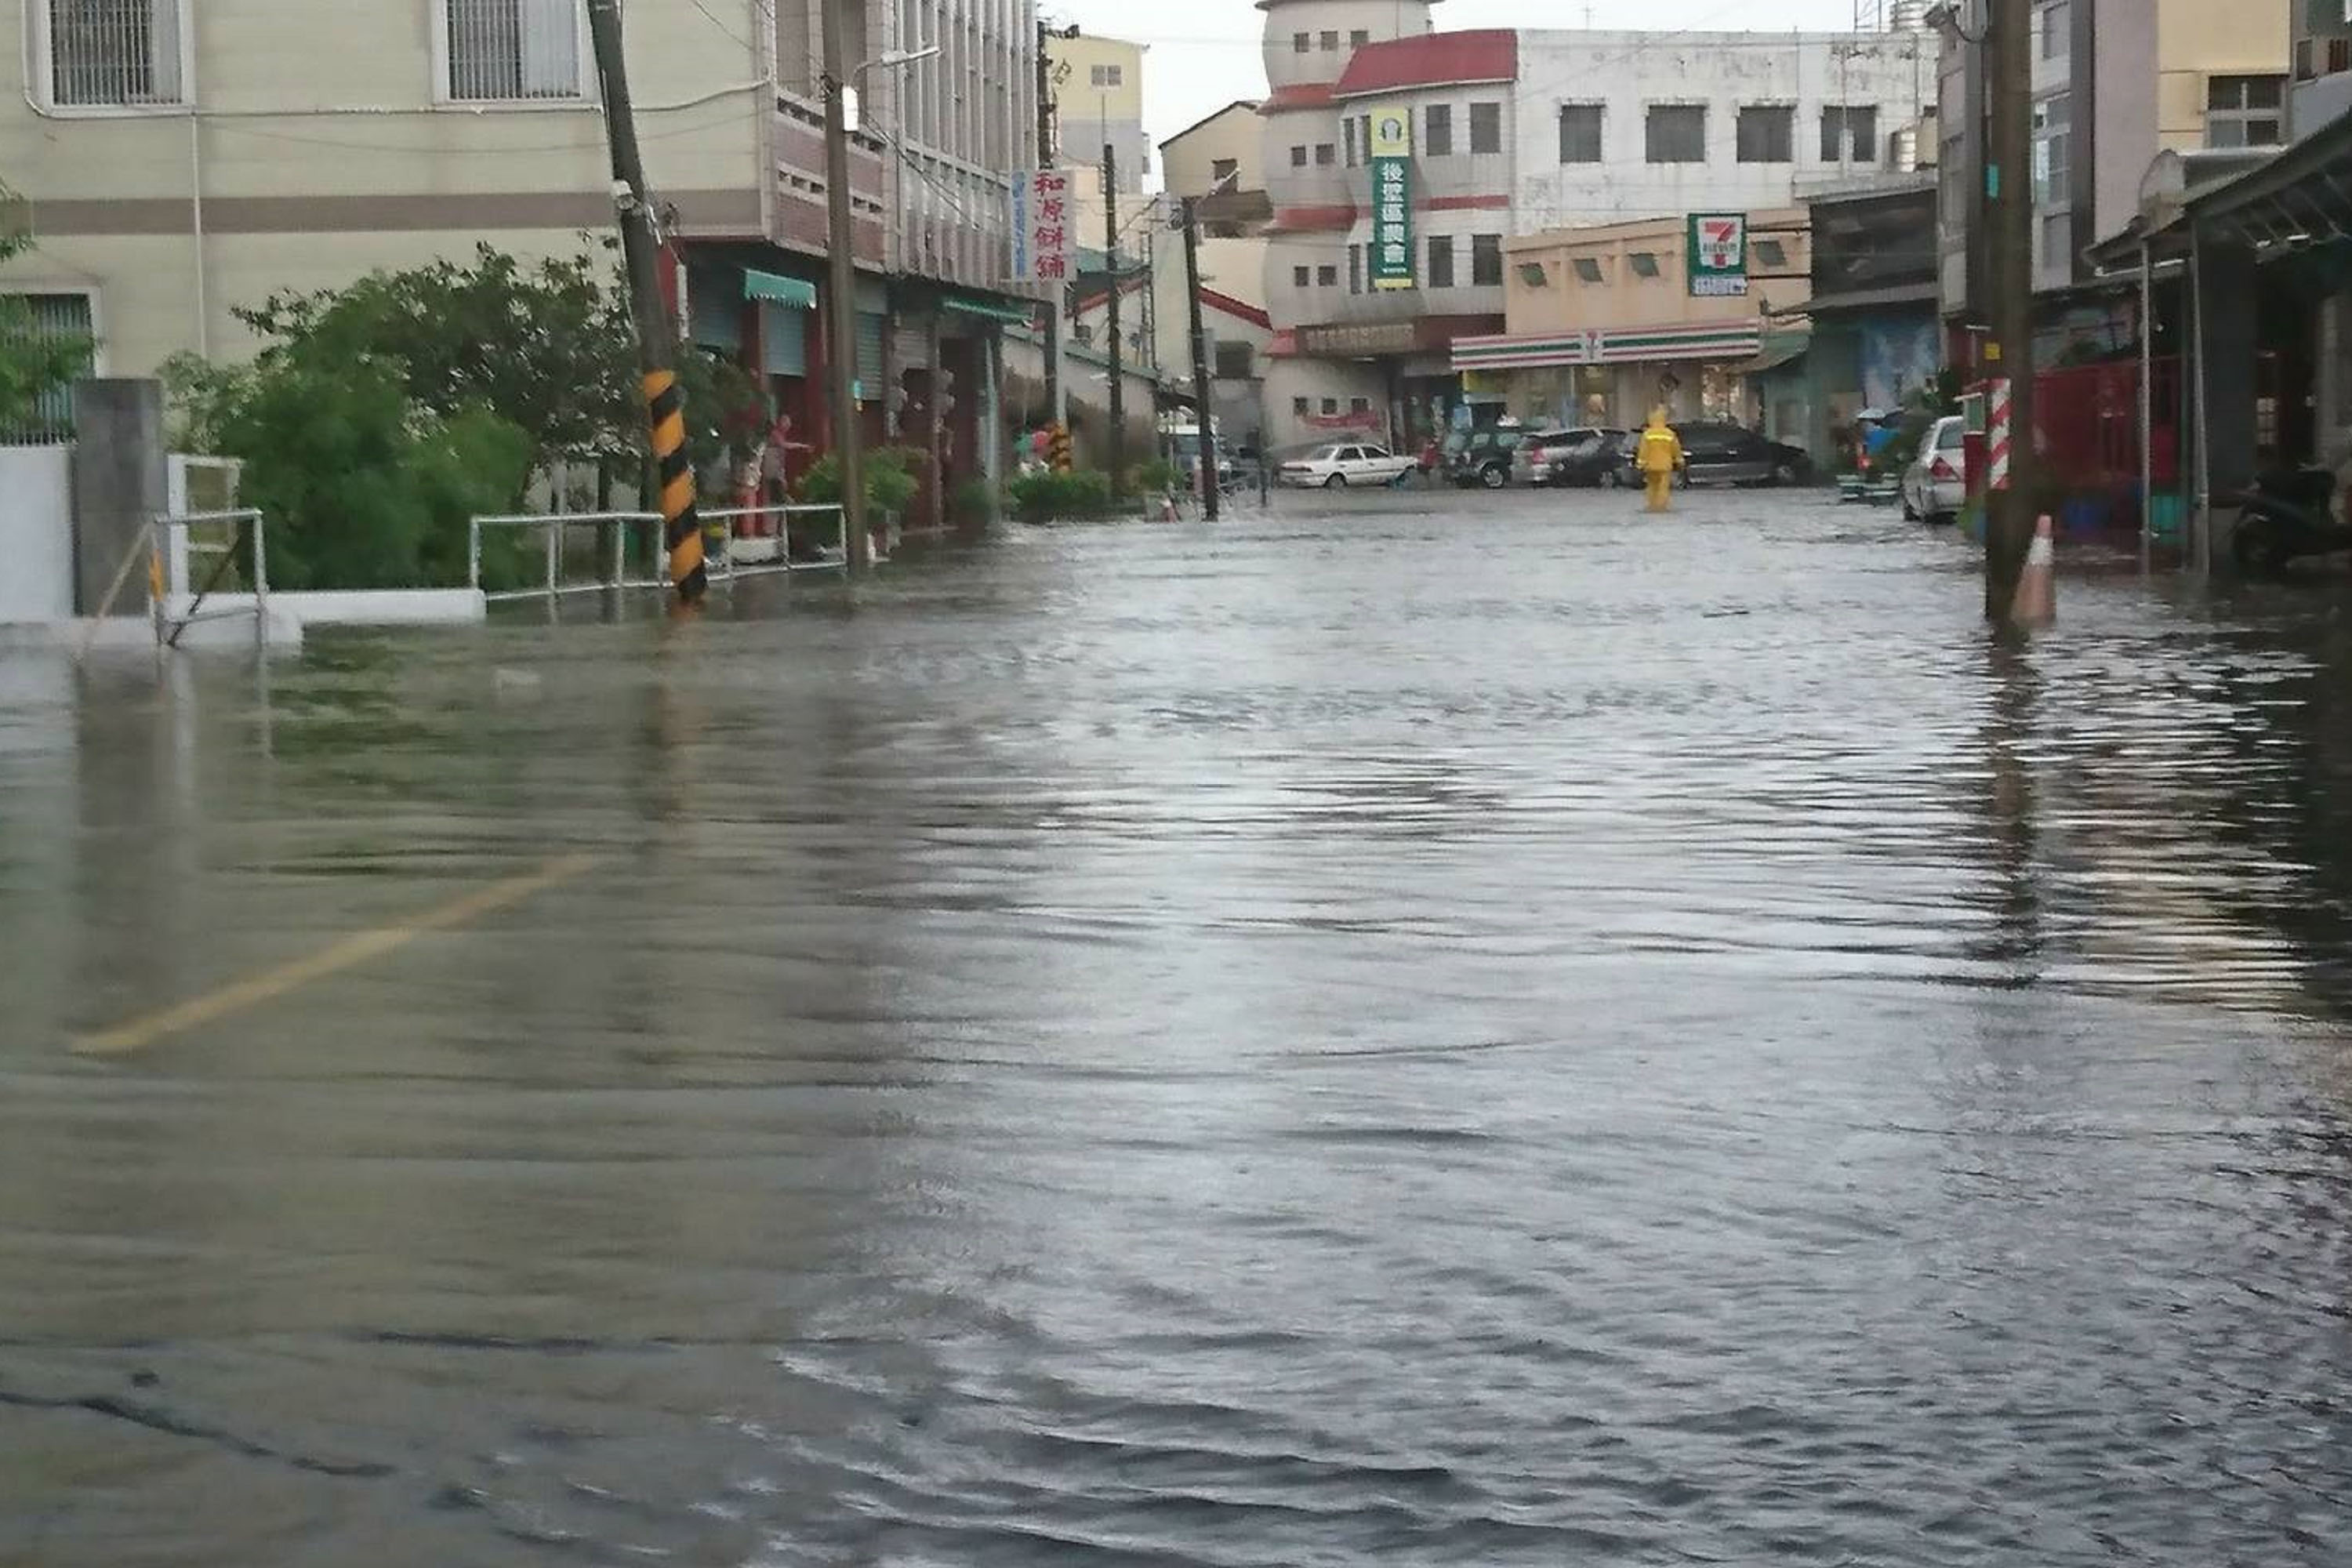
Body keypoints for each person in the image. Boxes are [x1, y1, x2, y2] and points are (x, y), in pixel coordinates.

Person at [1636, 408, 1684, 514]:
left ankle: (1652, 506)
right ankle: (1662, 507)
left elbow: (1643, 451)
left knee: (1652, 487)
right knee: (1663, 487)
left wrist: (1640, 465)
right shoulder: (1670, 434)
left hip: (1651, 466)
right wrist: (1680, 461)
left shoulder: (1647, 434)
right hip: (1665, 466)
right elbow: (1676, 449)